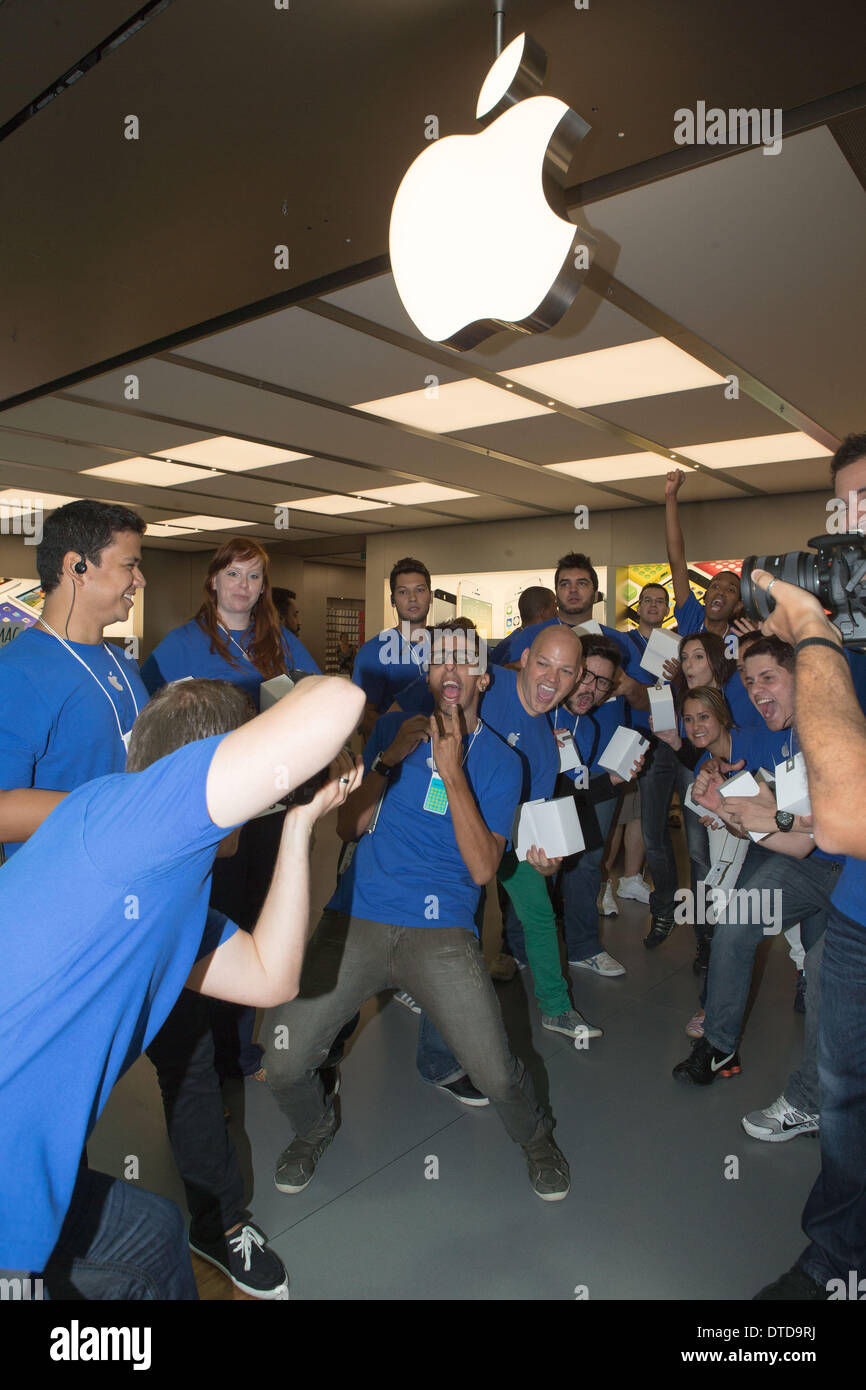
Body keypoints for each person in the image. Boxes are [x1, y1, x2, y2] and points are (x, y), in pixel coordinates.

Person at [0, 673, 365, 1298]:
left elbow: (270, 977)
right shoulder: (131, 821)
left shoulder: (165, 885)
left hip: (30, 1155)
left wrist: (302, 824)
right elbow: (340, 701)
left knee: (151, 1237)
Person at [263, 621, 572, 1202]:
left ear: (485, 676)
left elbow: (483, 870)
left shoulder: (505, 765)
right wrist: (388, 760)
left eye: (463, 662)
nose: (450, 672)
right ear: (429, 673)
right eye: (439, 662)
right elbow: (349, 825)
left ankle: (536, 1139)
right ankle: (315, 1125)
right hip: (359, 914)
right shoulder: (393, 730)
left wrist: (453, 773)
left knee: (498, 1072)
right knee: (281, 1060)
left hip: (442, 931)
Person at [138, 538, 322, 1294]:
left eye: (255, 576)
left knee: (252, 925)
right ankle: (213, 1038)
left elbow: (316, 699)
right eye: (233, 575)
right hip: (208, 823)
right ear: (212, 580)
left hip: (270, 815)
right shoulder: (181, 645)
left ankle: (234, 1041)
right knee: (210, 930)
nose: (244, 587)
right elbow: (152, 732)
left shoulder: (279, 638)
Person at [673, 637, 841, 1092]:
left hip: (848, 873)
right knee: (734, 925)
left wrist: (765, 815)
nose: (757, 691)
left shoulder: (833, 732)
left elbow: (804, 832)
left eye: (768, 678)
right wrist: (729, 808)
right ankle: (719, 1044)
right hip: (805, 866)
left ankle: (821, 1090)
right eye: (749, 682)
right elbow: (782, 838)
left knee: (826, 980)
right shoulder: (769, 738)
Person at [0, 499, 149, 859]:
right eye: (130, 565)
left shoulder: (122, 662)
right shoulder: (17, 673)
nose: (140, 580)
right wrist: (118, 810)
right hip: (63, 897)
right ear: (77, 567)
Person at [553, 635, 645, 976]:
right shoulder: (542, 709)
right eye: (585, 676)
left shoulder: (589, 726)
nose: (591, 688)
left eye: (602, 682)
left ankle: (582, 946)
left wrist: (611, 782)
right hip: (535, 809)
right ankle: (516, 949)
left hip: (590, 788)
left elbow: (574, 789)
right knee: (534, 873)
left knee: (587, 864)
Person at [351, 556, 434, 737]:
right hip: (398, 757)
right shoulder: (374, 651)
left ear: (431, 596)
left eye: (420, 590)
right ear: (392, 600)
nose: (412, 598)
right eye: (403, 592)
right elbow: (364, 716)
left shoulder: (445, 645)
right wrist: (399, 740)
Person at [489, 585, 557, 666]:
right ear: (543, 612)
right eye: (555, 608)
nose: (557, 614)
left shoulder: (511, 641)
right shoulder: (525, 645)